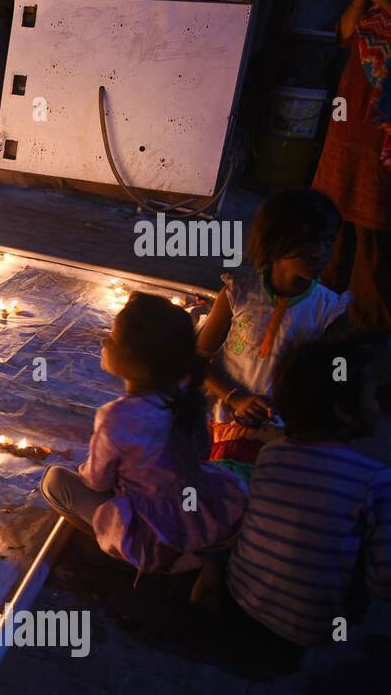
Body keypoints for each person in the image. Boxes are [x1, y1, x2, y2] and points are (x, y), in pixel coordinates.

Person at [40, 293, 247, 573]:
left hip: (155, 529)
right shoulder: (189, 398)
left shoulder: (118, 416)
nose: (104, 342)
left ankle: (141, 558)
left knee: (54, 482)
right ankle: (196, 555)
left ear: (137, 364)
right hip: (200, 509)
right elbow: (201, 451)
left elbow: (97, 481)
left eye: (112, 339)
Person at [225, 338, 390, 647]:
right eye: (373, 395)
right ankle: (337, 636)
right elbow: (384, 583)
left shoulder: (270, 454)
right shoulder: (376, 480)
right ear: (342, 411)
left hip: (243, 594)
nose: (379, 405)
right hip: (315, 630)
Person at [196, 191, 351, 476]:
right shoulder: (238, 293)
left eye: (328, 242)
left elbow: (335, 377)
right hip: (219, 415)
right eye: (309, 243)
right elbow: (196, 362)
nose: (321, 253)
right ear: (275, 240)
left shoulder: (329, 310)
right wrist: (235, 398)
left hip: (278, 429)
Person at [311, 0, 391, 333]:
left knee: (373, 228)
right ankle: (321, 310)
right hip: (350, 117)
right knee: (332, 212)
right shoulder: (373, 8)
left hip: (380, 125)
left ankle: (365, 328)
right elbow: (346, 30)